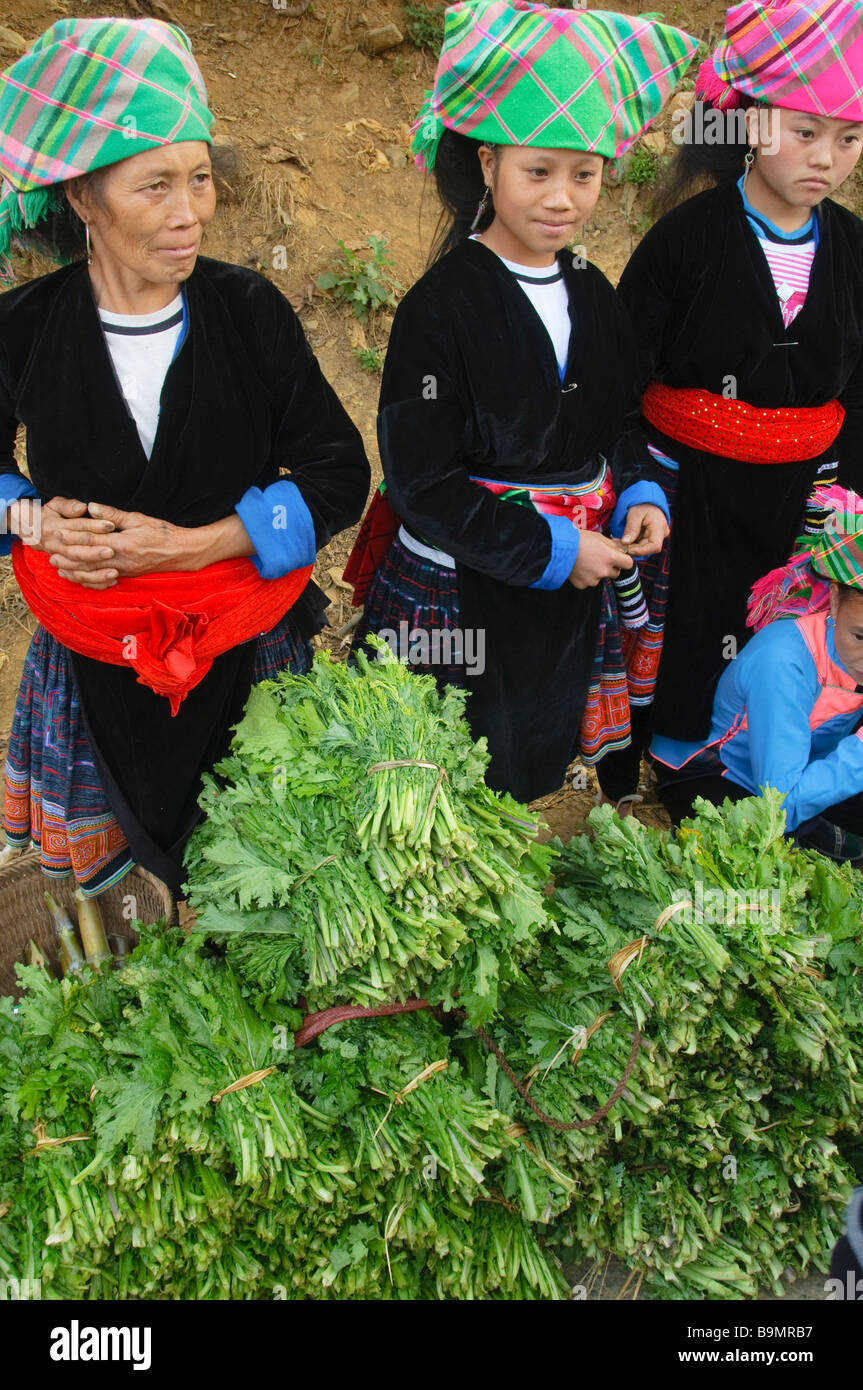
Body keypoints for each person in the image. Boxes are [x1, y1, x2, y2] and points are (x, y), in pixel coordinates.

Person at [0, 17, 369, 895]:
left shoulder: (249, 312)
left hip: (244, 643)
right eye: (154, 185)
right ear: (84, 198)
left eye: (200, 179)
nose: (188, 213)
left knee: (256, 877)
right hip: (93, 657)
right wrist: (33, 518)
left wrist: (197, 545)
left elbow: (336, 472)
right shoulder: (26, 326)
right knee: (107, 907)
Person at [344, 0, 697, 804]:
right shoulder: (439, 310)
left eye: (585, 173)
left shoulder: (594, 295)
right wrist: (551, 550)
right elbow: (421, 483)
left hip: (566, 593)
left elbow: (617, 424)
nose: (563, 197)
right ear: (489, 165)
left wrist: (637, 488)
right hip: (461, 594)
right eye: (538, 171)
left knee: (533, 764)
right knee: (443, 779)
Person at [596, 0, 863, 810]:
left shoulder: (852, 248)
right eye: (804, 132)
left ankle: (781, 773)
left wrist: (848, 501)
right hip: (688, 485)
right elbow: (617, 378)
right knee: (685, 632)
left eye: (847, 139)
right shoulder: (684, 242)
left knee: (789, 637)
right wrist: (636, 476)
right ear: (749, 126)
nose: (826, 158)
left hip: (806, 498)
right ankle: (682, 768)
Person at [652, 487, 863, 863]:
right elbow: (776, 808)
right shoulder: (785, 661)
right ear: (833, 599)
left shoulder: (850, 643)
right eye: (860, 636)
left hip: (802, 767)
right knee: (758, 856)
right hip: (718, 777)